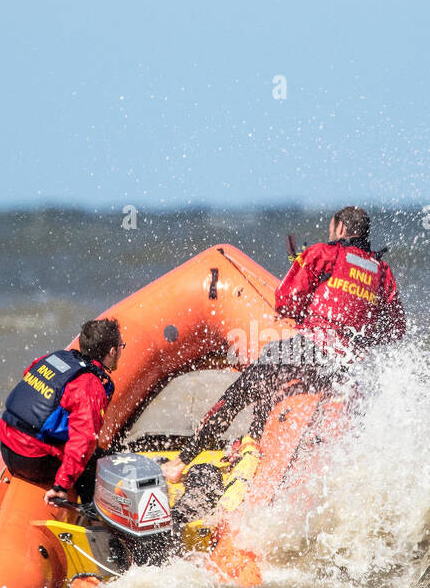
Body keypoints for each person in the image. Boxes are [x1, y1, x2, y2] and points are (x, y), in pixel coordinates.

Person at [162, 206, 405, 483]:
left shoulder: (323, 254)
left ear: (340, 229)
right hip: (346, 368)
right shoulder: (382, 272)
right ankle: (252, 442)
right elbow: (395, 329)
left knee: (239, 392)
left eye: (331, 229)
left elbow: (285, 303)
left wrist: (306, 300)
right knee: (274, 378)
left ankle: (182, 461)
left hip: (311, 350)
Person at [0, 318, 123, 507]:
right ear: (112, 351)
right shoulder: (90, 385)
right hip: (32, 461)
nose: (121, 351)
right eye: (121, 346)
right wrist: (61, 486)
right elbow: (84, 440)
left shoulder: (55, 358)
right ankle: (97, 523)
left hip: (7, 448)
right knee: (100, 462)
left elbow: (29, 379)